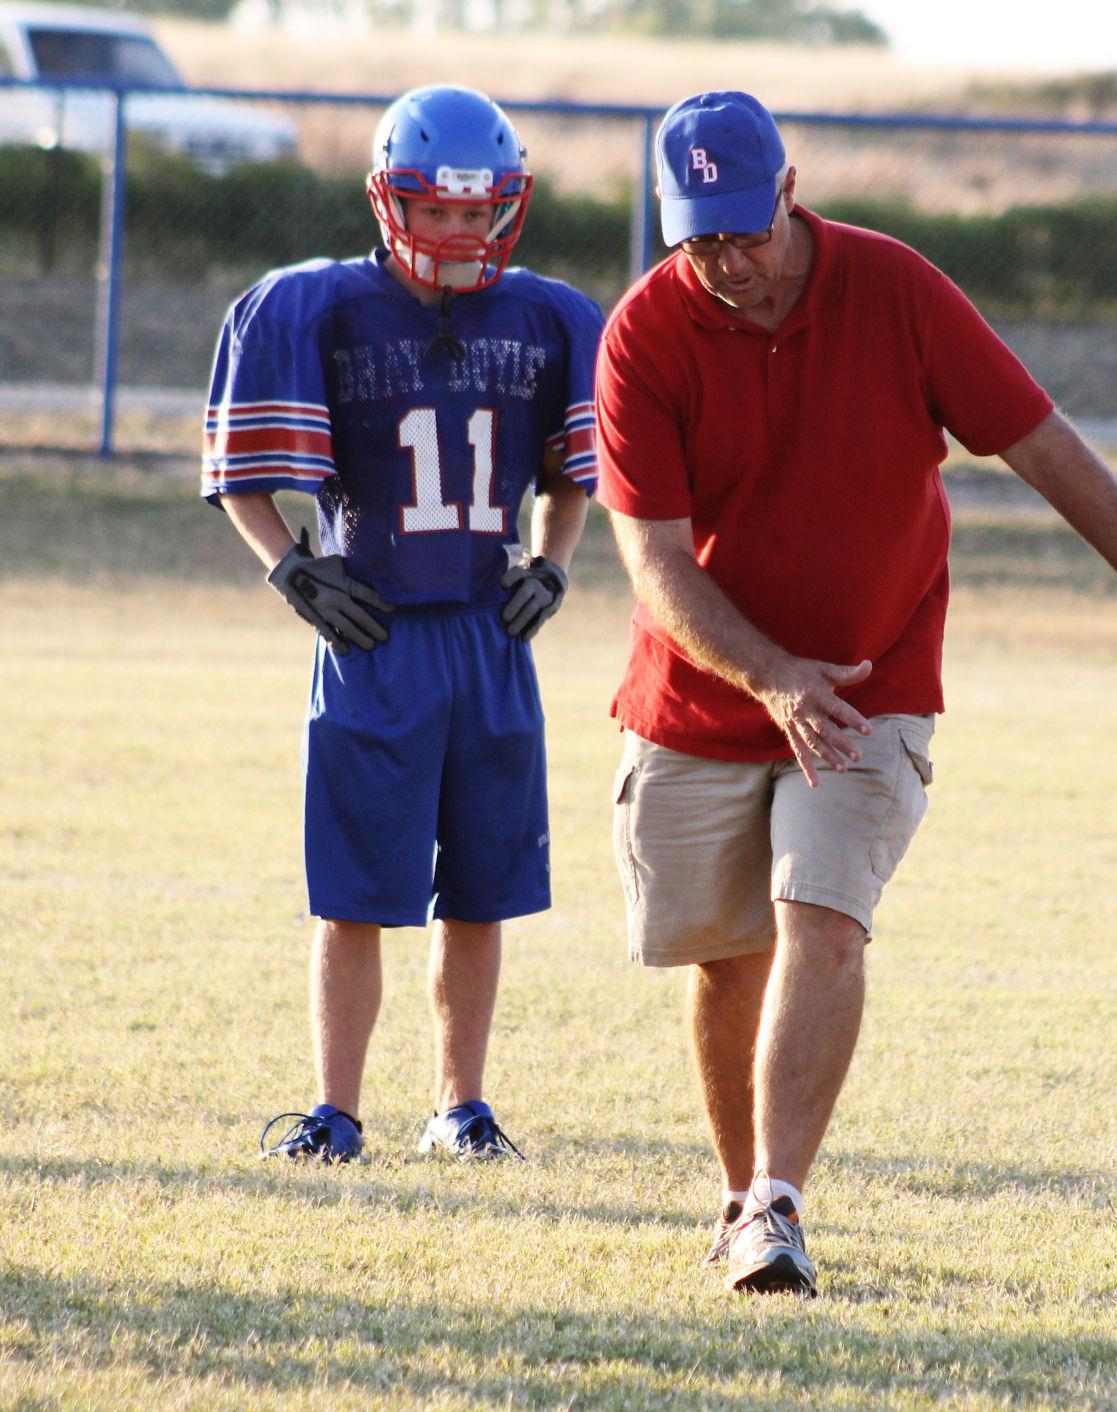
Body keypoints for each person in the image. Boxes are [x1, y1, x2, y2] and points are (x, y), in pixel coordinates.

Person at [594, 90, 1117, 1296]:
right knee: (726, 955)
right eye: (697, 239)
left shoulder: (895, 290)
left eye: (744, 231)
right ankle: (737, 1195)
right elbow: (652, 557)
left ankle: (775, 1203)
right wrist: (769, 675)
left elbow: (1040, 445)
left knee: (820, 917)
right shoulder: (643, 333)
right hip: (706, 691)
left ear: (788, 192)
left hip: (869, 680)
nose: (726, 262)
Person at [201, 85, 603, 1165]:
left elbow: (572, 472)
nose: (459, 231)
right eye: (437, 209)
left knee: (480, 890)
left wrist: (553, 566)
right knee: (354, 894)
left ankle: (460, 1106)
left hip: (485, 631)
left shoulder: (546, 317)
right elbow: (241, 474)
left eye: (477, 211)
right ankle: (335, 1109)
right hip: (371, 636)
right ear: (391, 202)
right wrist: (290, 568)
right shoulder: (320, 307)